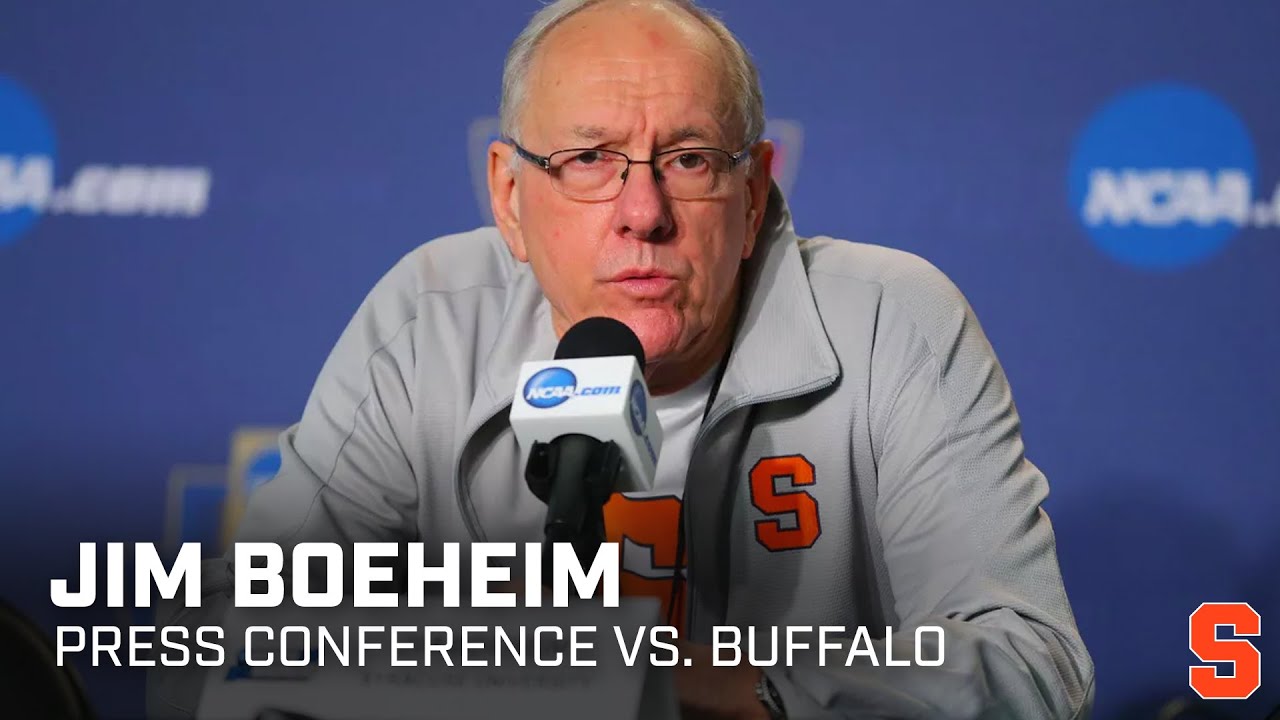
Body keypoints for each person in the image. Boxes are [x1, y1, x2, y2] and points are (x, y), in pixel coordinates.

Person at [157, 0, 1095, 717]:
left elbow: (1029, 662)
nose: (642, 213)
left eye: (688, 158)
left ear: (755, 194)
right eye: (589, 160)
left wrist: (737, 688)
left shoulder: (892, 321)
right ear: (510, 197)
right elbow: (247, 642)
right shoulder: (427, 321)